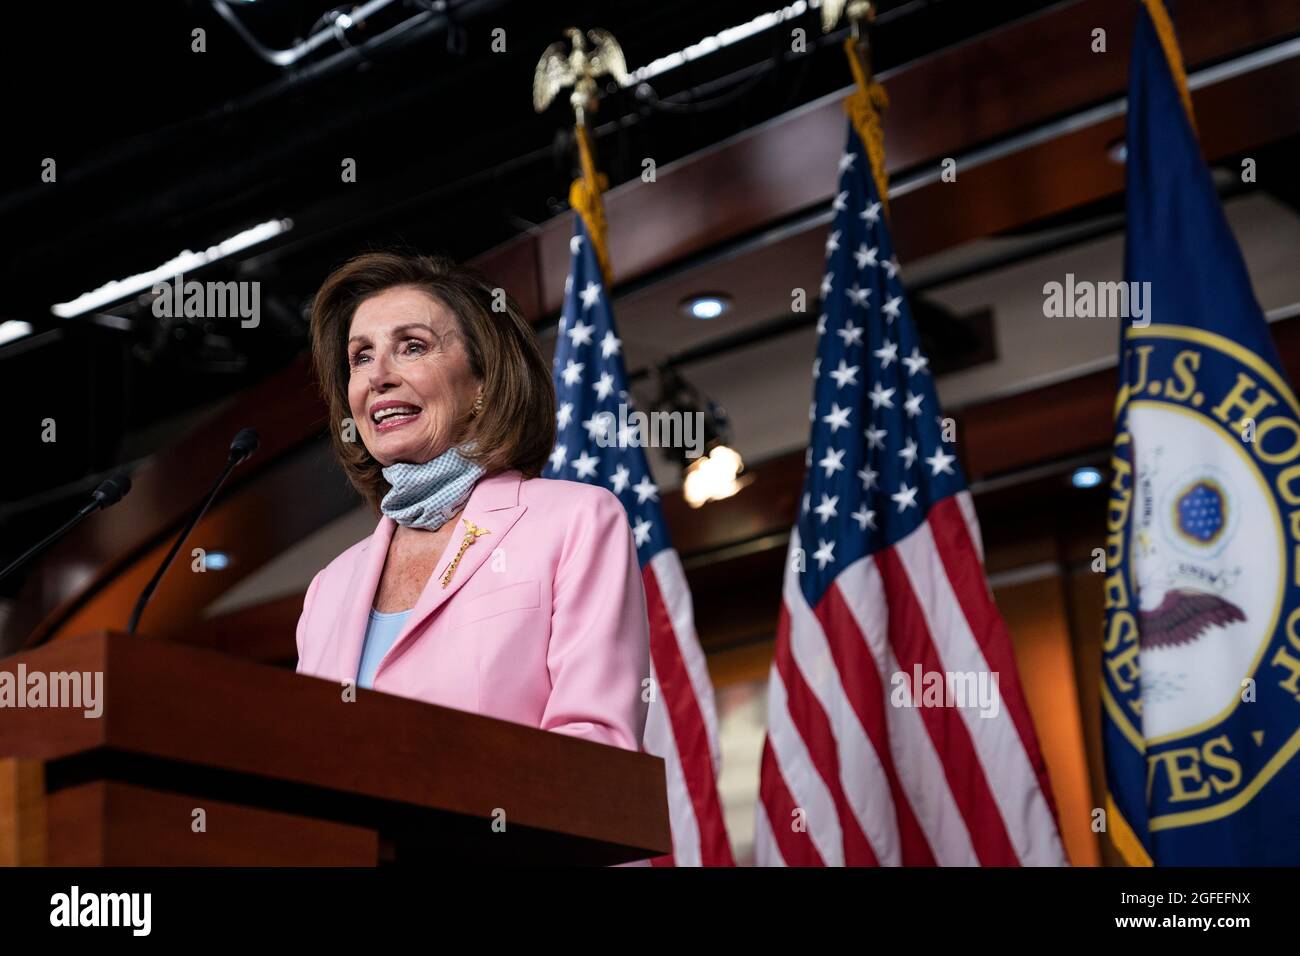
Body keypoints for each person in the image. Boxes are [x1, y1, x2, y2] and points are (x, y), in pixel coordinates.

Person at [295, 251, 649, 751]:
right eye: (361, 357)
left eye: (412, 346)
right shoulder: (327, 590)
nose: (378, 377)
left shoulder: (576, 521)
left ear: (482, 381)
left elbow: (596, 745)